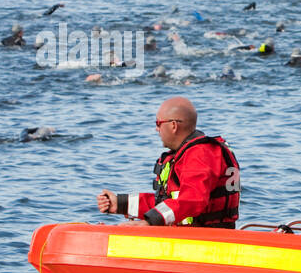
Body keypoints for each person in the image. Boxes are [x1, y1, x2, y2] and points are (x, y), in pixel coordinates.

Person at [95, 96, 240, 228]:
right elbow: (168, 203)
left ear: (173, 126)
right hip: (195, 234)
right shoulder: (188, 153)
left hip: (207, 238)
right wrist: (120, 204)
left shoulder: (200, 154)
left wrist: (149, 222)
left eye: (158, 123)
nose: (156, 129)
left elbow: (192, 201)